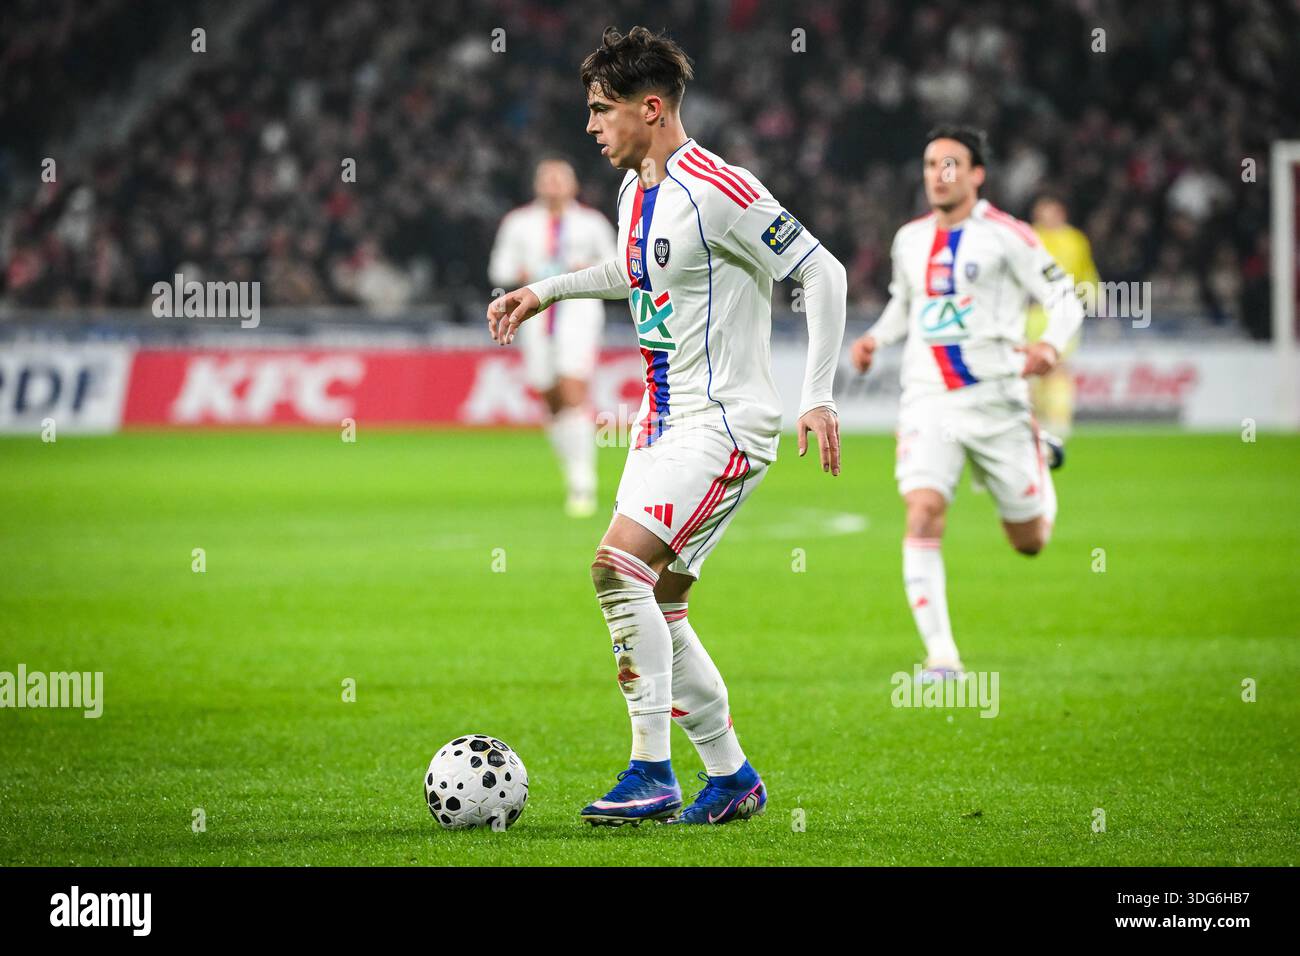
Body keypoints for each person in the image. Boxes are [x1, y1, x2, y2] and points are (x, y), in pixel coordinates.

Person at [487, 26, 846, 825]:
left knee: (617, 570)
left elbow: (822, 269)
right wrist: (546, 291)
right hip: (660, 424)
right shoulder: (632, 187)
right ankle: (732, 777)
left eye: (601, 110)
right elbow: (638, 266)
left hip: (722, 424)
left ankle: (651, 769)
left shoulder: (718, 185)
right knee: (665, 604)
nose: (590, 127)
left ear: (651, 108)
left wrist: (816, 394)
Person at [849, 126, 1082, 680]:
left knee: (1029, 542)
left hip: (997, 399)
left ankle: (1037, 451)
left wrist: (1049, 345)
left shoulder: (1009, 236)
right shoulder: (908, 239)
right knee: (924, 511)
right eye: (931, 164)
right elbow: (905, 306)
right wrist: (876, 340)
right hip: (928, 399)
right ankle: (942, 656)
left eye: (951, 164)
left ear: (977, 174)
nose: (939, 174)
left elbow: (1064, 297)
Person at [488, 158, 617, 516]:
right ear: (537, 185)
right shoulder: (518, 223)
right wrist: (527, 272)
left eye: (561, 179)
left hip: (578, 314)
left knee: (572, 387)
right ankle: (571, 471)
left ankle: (583, 482)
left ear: (573, 185)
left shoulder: (591, 223)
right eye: (547, 179)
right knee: (549, 396)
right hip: (533, 316)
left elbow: (618, 264)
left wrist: (583, 272)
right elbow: (498, 267)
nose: (554, 185)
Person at [1026, 193, 1098, 438]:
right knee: (1032, 368)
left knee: (1059, 367)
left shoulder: (1075, 240)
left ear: (1061, 212)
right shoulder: (1027, 236)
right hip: (1032, 312)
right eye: (1042, 211)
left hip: (1064, 311)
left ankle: (1059, 422)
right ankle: (1036, 420)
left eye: (1051, 210)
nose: (1046, 216)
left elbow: (1086, 273)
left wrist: (1097, 300)